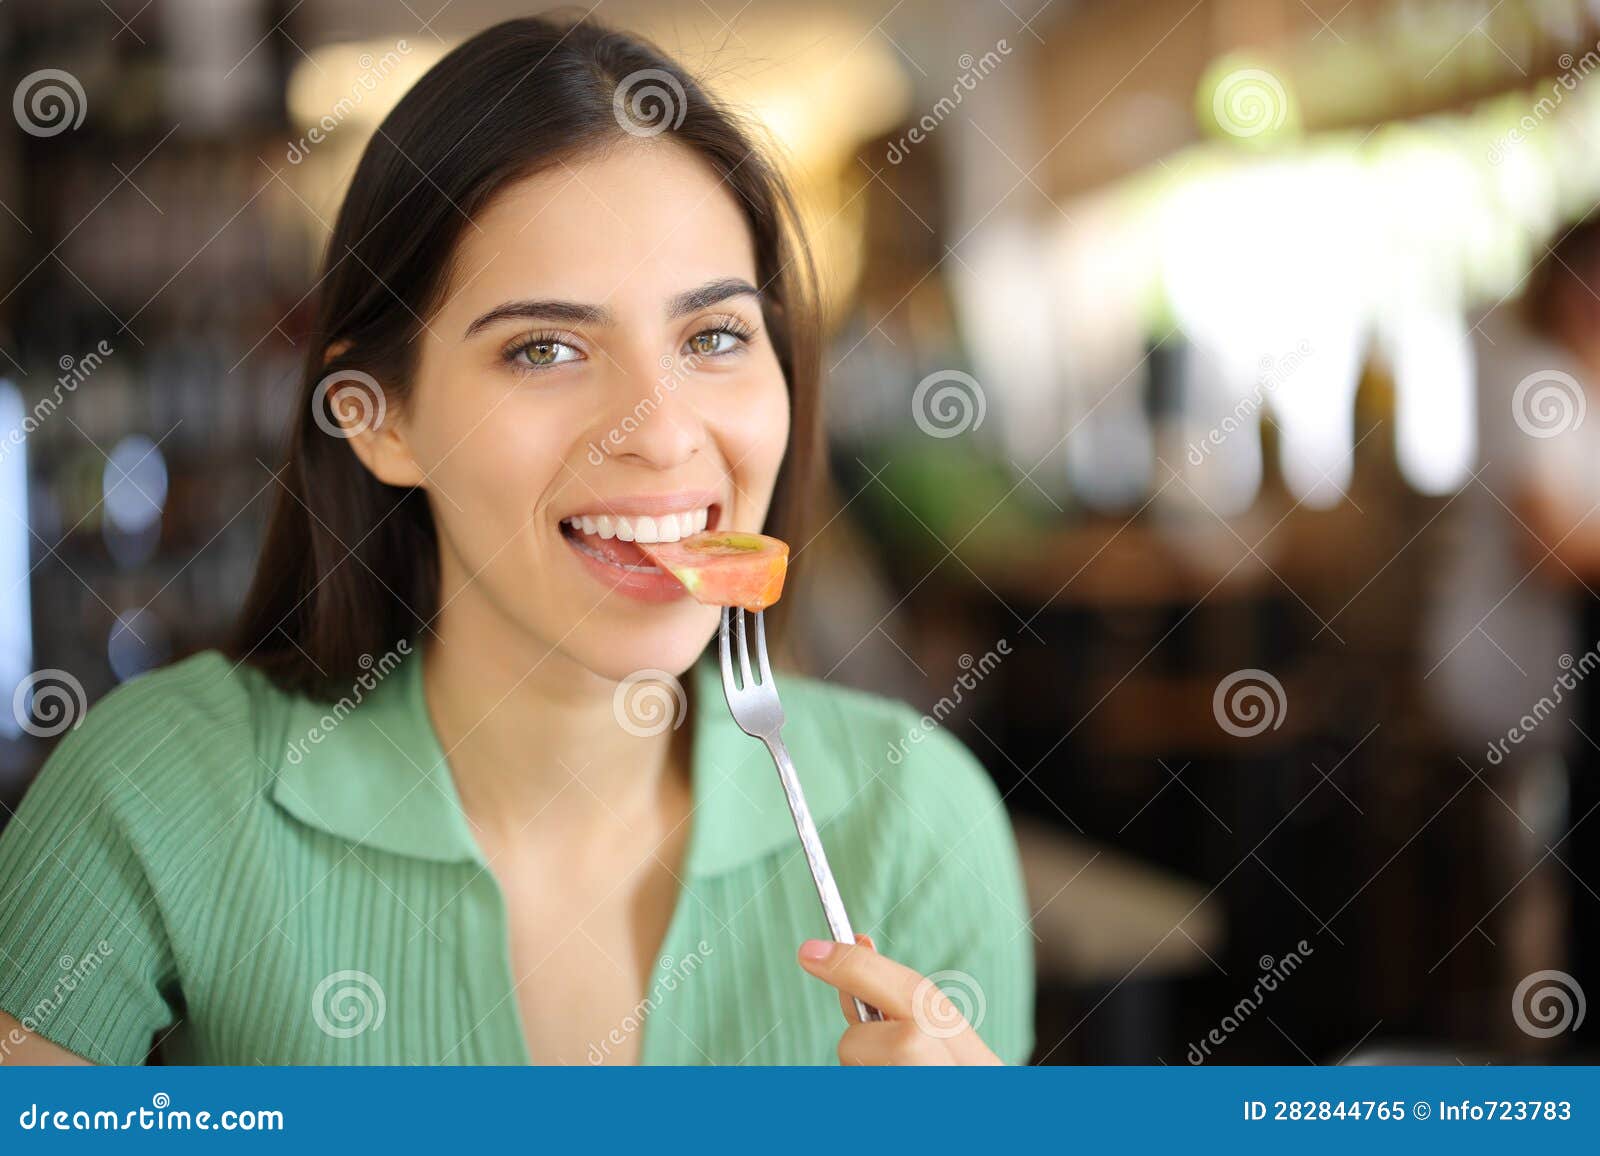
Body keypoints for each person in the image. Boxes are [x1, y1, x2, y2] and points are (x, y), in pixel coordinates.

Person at [0, 15, 1032, 1066]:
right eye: (544, 348)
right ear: (378, 415)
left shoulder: (913, 813)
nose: (664, 431)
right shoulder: (157, 793)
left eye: (713, 335)